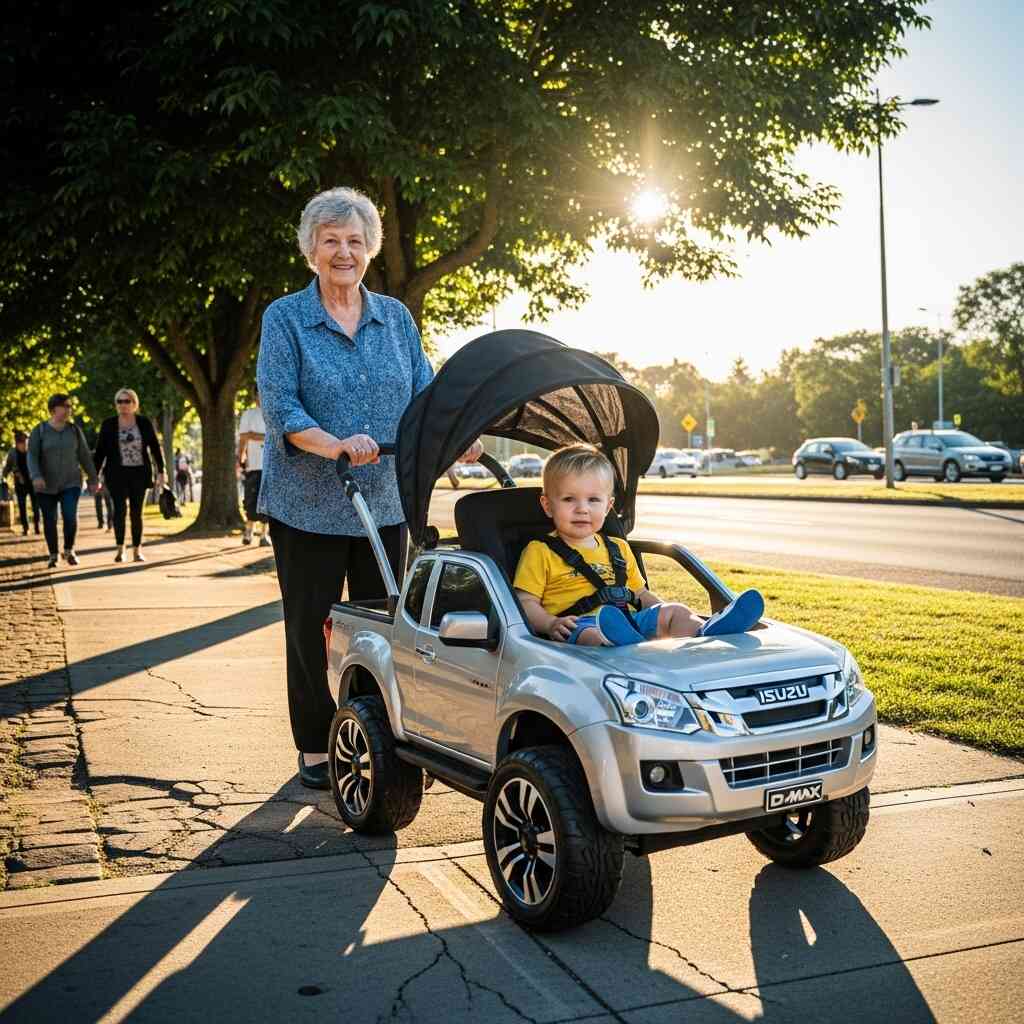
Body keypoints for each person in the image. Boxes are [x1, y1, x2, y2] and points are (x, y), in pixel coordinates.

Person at [257, 186, 482, 789]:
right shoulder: (285, 318)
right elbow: (280, 405)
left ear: (370, 249)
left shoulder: (395, 318)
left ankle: (386, 737)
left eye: (355, 241)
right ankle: (314, 742)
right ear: (311, 250)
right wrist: (334, 443)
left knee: (389, 625)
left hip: (384, 498)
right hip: (308, 505)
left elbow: (425, 392)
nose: (343, 252)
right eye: (330, 241)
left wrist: (456, 437)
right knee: (313, 628)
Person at [514, 444, 765, 645]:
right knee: (593, 632)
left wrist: (661, 614)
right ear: (548, 505)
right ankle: (623, 644)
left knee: (675, 610)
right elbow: (526, 603)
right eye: (569, 499)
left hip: (628, 621)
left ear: (608, 506)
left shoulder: (617, 548)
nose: (582, 509)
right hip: (577, 626)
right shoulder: (540, 551)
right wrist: (549, 624)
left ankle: (707, 632)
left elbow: (641, 595)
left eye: (593, 500)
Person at [93, 388, 166, 563]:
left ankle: (137, 550)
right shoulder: (109, 424)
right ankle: (120, 549)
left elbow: (155, 449)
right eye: (119, 402)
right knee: (119, 512)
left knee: (136, 513)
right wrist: (94, 476)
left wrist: (161, 472)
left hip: (139, 473)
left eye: (127, 401)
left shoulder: (143, 423)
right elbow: (100, 452)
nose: (123, 405)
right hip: (116, 474)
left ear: (134, 404)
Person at [27, 394, 98, 568]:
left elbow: (84, 456)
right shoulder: (40, 430)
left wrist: (93, 478)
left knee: (69, 516)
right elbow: (32, 456)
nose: (69, 409)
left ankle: (69, 549)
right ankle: (53, 554)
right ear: (53, 410)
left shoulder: (74, 430)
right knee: (50, 519)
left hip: (70, 482)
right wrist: (36, 476)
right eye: (65, 406)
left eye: (70, 406)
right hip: (45, 484)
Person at [237, 386, 270, 546]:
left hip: (270, 466)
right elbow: (243, 437)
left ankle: (264, 535)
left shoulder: (272, 413)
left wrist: (254, 435)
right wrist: (240, 458)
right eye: (258, 394)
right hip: (253, 465)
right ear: (255, 396)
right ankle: (248, 531)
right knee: (251, 500)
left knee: (267, 502)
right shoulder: (248, 414)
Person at [2, 430, 41, 536]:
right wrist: (5, 476)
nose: (22, 445)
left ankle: (37, 526)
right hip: (20, 484)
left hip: (33, 482)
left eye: (24, 442)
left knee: (35, 506)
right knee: (22, 506)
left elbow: (40, 464)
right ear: (16, 443)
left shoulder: (33, 452)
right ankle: (25, 528)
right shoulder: (13, 453)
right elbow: (8, 466)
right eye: (20, 443)